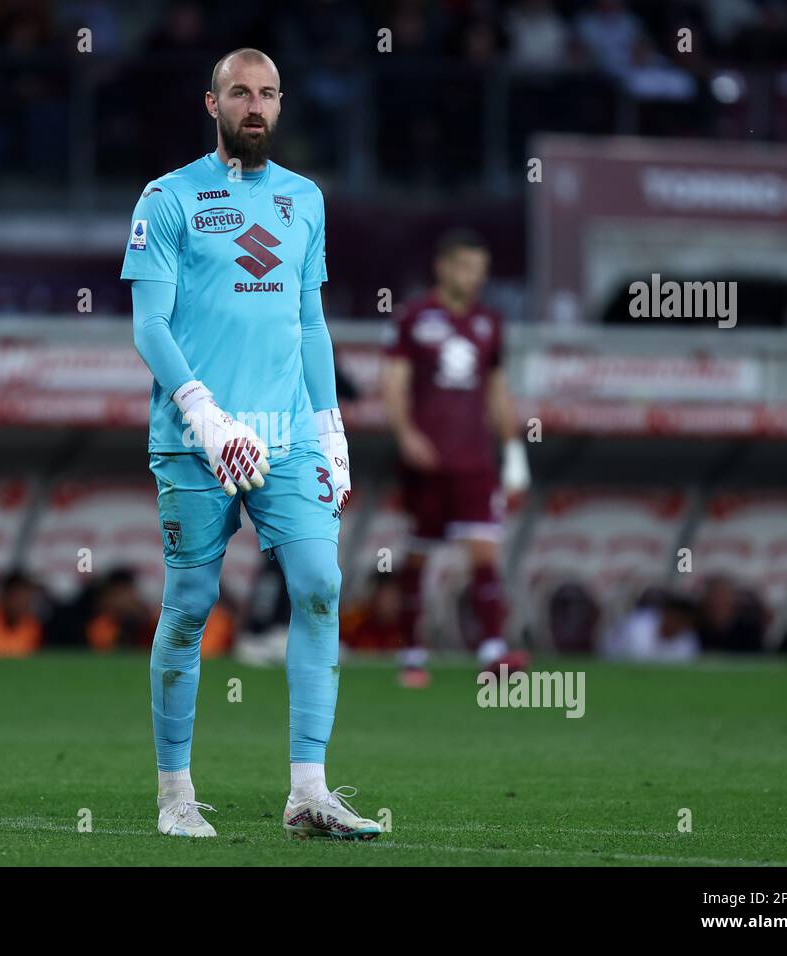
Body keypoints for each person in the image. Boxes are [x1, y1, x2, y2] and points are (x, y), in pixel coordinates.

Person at [120, 47, 380, 840]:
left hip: (287, 434)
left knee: (320, 584)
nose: (255, 105)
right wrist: (205, 415)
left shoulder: (306, 200)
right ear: (213, 104)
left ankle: (308, 791)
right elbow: (149, 325)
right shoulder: (169, 199)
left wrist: (329, 427)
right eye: (240, 93)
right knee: (194, 603)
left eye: (268, 93)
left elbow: (309, 321)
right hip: (196, 438)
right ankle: (174, 796)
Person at [379, 230, 531, 688]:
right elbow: (393, 380)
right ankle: (411, 652)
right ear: (443, 267)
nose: (475, 278)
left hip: (475, 458)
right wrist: (406, 434)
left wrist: (515, 454)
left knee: (484, 548)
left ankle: (492, 650)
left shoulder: (490, 322)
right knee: (420, 555)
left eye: (481, 270)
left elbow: (498, 391)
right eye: (466, 267)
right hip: (428, 459)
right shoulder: (413, 317)